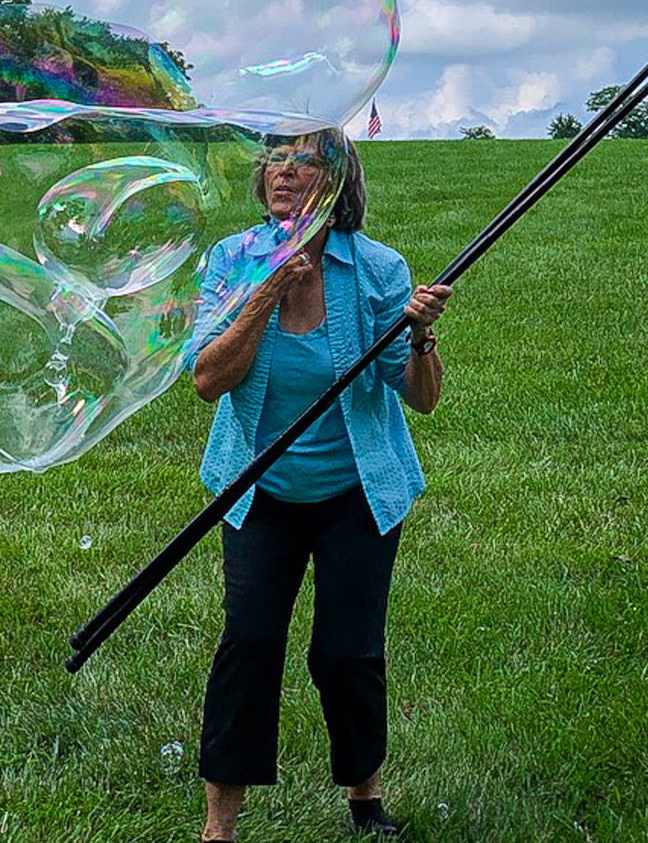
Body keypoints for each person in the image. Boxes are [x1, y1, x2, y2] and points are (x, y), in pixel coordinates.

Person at [189, 131, 452, 841]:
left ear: (336, 182)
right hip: (258, 489)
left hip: (357, 492)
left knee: (346, 650)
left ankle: (364, 797)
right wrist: (268, 288)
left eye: (303, 160)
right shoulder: (232, 261)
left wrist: (422, 338)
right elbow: (210, 380)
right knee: (247, 643)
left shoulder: (377, 270)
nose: (283, 171)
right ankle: (221, 825)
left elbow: (420, 397)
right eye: (275, 158)